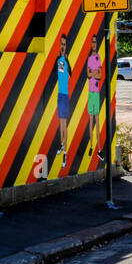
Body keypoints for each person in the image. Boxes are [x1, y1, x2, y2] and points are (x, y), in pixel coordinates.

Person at [86, 33, 104, 163]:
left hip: (96, 92)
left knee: (97, 122)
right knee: (91, 121)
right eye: (92, 42)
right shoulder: (89, 59)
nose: (93, 44)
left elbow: (99, 75)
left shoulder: (98, 57)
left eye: (94, 42)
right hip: (90, 92)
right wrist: (94, 73)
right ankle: (91, 146)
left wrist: (94, 73)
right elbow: (89, 74)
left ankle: (99, 149)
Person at [56, 34, 72, 169]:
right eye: (61, 44)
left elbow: (69, 75)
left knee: (64, 123)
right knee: (61, 122)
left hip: (65, 95)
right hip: (60, 95)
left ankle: (65, 152)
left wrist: (67, 61)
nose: (62, 46)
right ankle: (62, 145)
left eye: (64, 44)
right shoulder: (59, 60)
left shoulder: (65, 61)